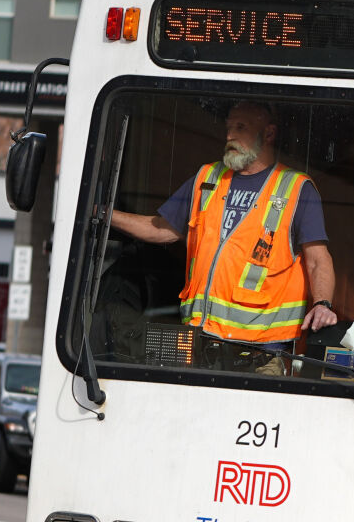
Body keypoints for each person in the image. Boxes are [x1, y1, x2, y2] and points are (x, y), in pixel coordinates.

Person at [110, 101, 338, 372]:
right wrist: (105, 213)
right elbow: (161, 228)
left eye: (241, 127)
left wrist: (323, 303)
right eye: (229, 127)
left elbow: (317, 259)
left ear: (268, 134)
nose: (229, 135)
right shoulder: (207, 177)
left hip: (262, 354)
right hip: (200, 346)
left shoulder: (296, 189)